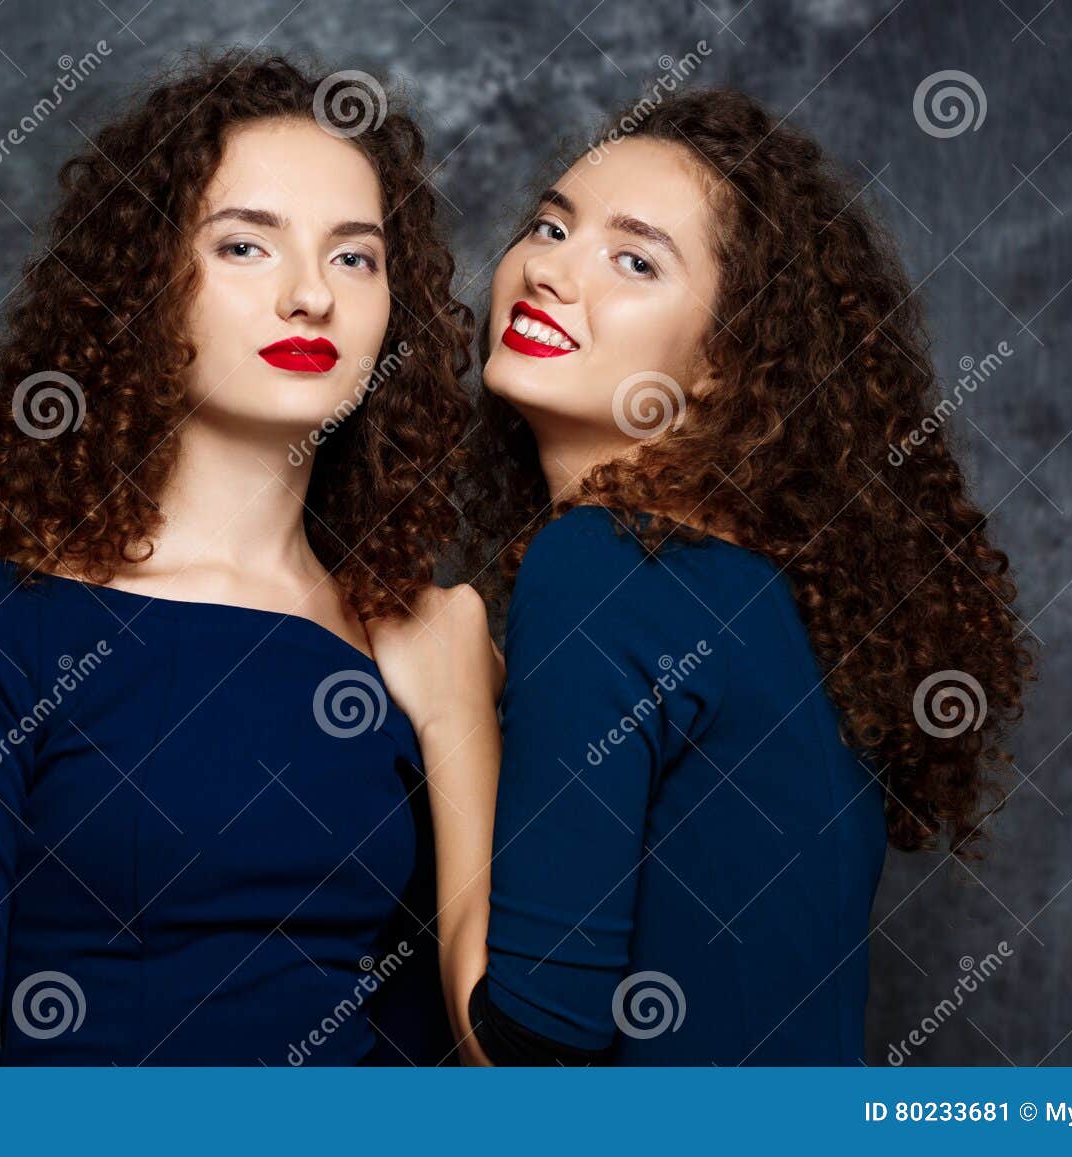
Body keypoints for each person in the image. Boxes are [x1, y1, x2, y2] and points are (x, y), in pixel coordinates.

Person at [367, 87, 1037, 1065]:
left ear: (724, 360)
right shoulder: (761, 592)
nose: (551, 268)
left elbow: (528, 1045)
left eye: (633, 259)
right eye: (550, 225)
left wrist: (452, 711)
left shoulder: (601, 565)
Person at [0, 47, 472, 1065]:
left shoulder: (414, 641)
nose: (311, 296)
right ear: (146, 284)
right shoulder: (4, 629)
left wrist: (456, 720)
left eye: (355, 256)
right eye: (246, 247)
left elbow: (449, 1042)